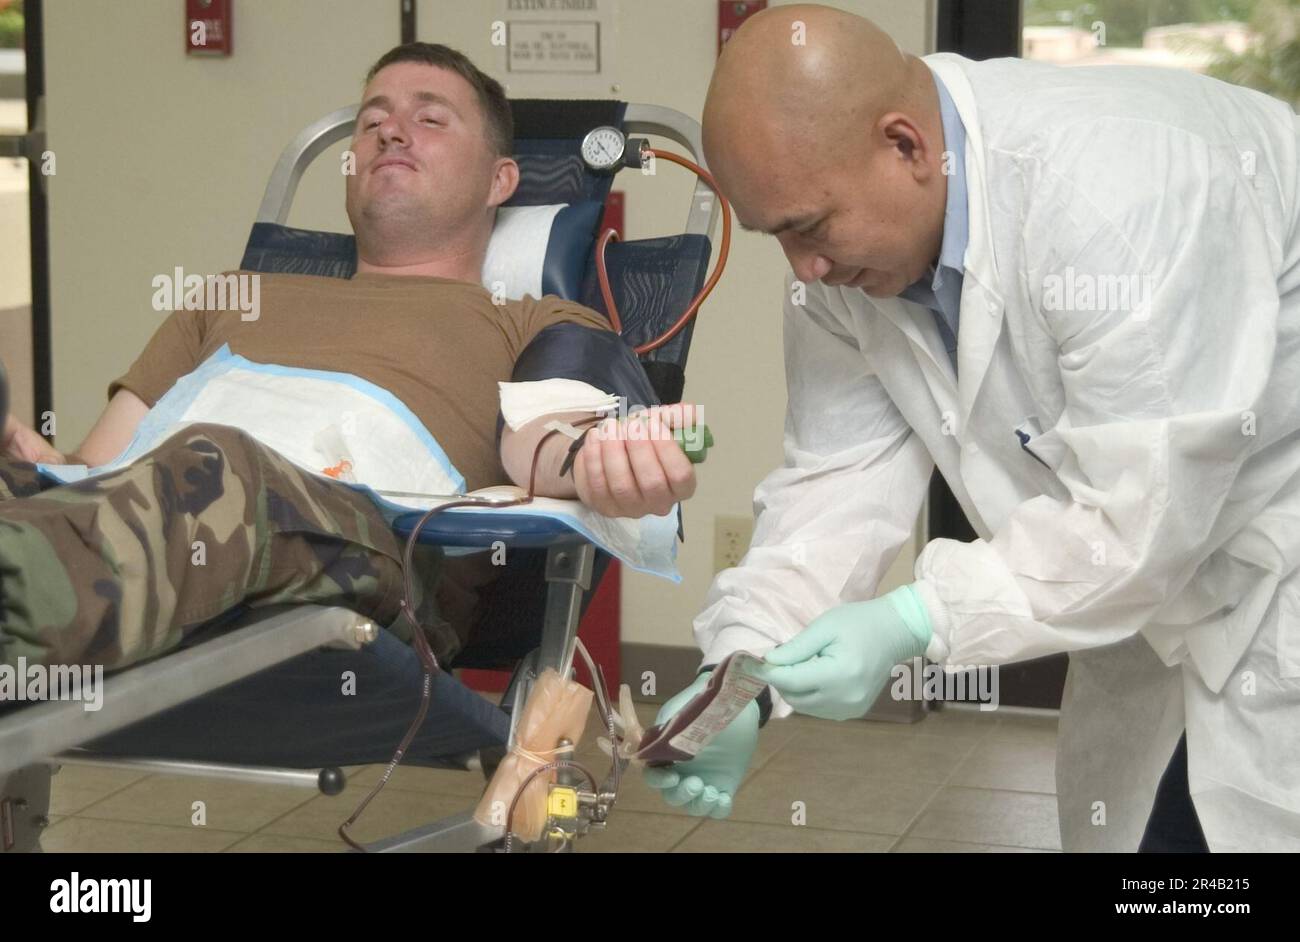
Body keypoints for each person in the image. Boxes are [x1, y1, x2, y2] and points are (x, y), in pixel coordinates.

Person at [645, 4, 1300, 853]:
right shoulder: (839, 273)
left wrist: (919, 619)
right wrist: (733, 679)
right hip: (1158, 602)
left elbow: (1141, 517)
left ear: (908, 145)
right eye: (779, 236)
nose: (802, 269)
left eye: (809, 226)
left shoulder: (1119, 197)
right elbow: (832, 486)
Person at [0, 42, 696, 675]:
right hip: (155, 519)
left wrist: (601, 461)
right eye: (372, 123)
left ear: (500, 179)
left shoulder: (532, 320)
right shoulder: (230, 298)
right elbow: (94, 476)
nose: (391, 131)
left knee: (223, 465)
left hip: (366, 551)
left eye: (430, 119)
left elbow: (547, 441)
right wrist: (29, 464)